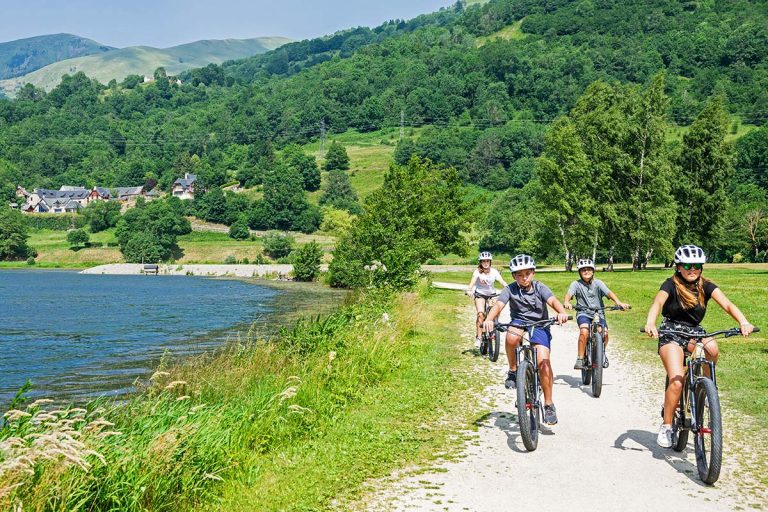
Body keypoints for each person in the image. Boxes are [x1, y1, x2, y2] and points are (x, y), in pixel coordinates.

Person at [643, 245, 754, 448]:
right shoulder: (670, 284)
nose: (692, 269)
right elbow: (657, 304)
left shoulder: (706, 286)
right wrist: (650, 322)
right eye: (687, 265)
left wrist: (743, 321)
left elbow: (728, 304)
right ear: (678, 267)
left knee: (713, 349)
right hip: (671, 332)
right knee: (676, 380)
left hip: (694, 331)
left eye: (696, 265)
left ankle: (706, 388)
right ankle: (667, 425)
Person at [483, 254, 569, 425]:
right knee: (511, 336)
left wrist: (561, 312)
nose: (524, 277)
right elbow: (499, 305)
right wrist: (489, 319)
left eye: (527, 273)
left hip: (540, 323)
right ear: (514, 276)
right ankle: (513, 370)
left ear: (533, 273)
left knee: (544, 362)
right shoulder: (510, 289)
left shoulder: (539, 287)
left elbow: (552, 301)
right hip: (519, 322)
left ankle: (549, 404)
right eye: (519, 274)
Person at [563, 258, 629, 370]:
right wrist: (566, 301)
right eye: (583, 270)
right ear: (579, 272)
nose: (586, 272)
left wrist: (618, 302)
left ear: (593, 271)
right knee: (584, 331)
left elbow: (609, 292)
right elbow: (569, 294)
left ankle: (601, 353)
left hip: (598, 313)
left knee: (605, 333)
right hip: (583, 312)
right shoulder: (576, 284)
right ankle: (580, 358)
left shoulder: (598, 283)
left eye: (589, 269)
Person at [466, 251, 507, 347]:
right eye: (483, 261)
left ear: (490, 262)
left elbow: (502, 281)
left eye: (487, 261)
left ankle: (494, 329)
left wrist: (508, 288)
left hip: (492, 295)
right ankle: (479, 337)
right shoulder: (477, 272)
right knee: (480, 314)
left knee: (496, 312)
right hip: (480, 295)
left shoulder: (494, 271)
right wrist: (469, 290)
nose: (485, 263)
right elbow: (472, 283)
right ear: (480, 262)